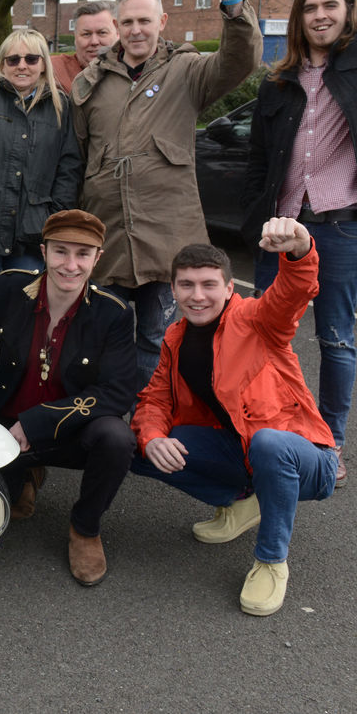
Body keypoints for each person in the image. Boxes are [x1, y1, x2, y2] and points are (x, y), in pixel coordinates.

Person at [130, 219, 338, 616]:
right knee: (135, 447)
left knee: (269, 443)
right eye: (187, 285)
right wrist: (152, 436)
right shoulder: (175, 338)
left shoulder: (257, 321)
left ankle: (271, 561)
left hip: (306, 458)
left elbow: (291, 294)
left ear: (229, 288)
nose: (197, 296)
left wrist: (299, 250)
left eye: (209, 285)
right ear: (173, 289)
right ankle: (245, 500)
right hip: (241, 451)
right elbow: (154, 401)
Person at [0, 210, 137, 585]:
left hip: (71, 432)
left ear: (98, 258)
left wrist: (36, 422)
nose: (70, 265)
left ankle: (85, 528)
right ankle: (25, 475)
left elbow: (117, 392)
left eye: (83, 254)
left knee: (117, 440)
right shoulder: (10, 288)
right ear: (44, 252)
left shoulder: (112, 313)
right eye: (61, 251)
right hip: (7, 425)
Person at [72, 0, 262, 393]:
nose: (136, 30)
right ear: (117, 26)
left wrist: (232, 2)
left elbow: (239, 60)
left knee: (156, 341)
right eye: (127, 22)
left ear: (162, 21)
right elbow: (79, 156)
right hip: (108, 237)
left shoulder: (187, 71)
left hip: (167, 237)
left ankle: (150, 420)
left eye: (145, 20)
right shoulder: (90, 82)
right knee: (100, 340)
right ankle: (105, 419)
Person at [243, 0, 357, 487]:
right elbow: (257, 158)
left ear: (347, 11)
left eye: (331, 5)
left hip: (340, 227)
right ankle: (270, 430)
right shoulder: (278, 82)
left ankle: (330, 442)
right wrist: (252, 219)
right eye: (310, 8)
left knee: (336, 340)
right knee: (265, 336)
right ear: (298, 18)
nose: (321, 15)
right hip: (280, 228)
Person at [0, 29, 82, 411]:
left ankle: (15, 416)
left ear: (43, 64)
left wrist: (53, 219)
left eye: (31, 58)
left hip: (30, 236)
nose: (22, 66)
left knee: (26, 334)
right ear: (1, 63)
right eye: (13, 59)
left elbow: (69, 168)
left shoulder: (61, 106)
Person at [50, 1, 118, 94]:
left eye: (102, 33)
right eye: (86, 34)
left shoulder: (134, 73)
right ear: (75, 37)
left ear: (118, 33)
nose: (94, 42)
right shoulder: (53, 69)